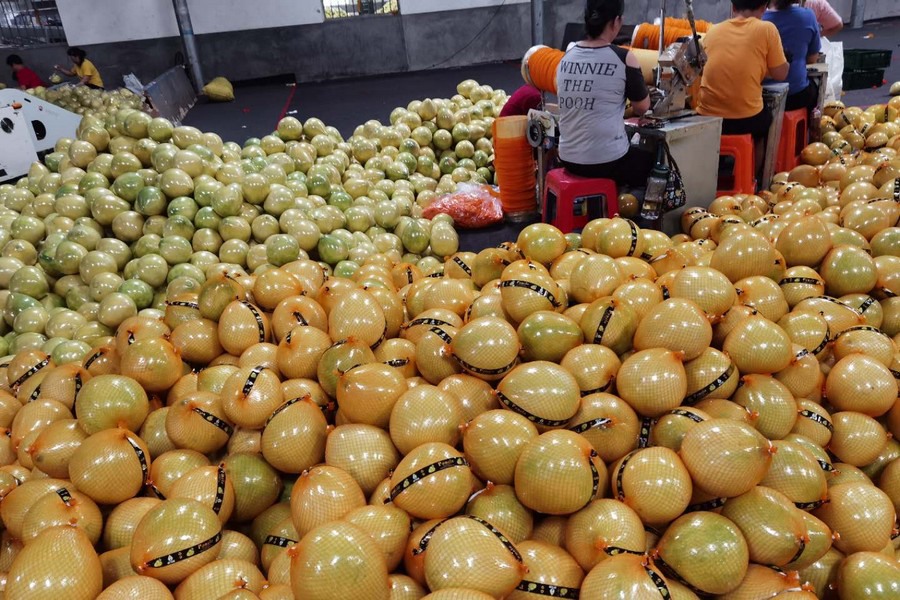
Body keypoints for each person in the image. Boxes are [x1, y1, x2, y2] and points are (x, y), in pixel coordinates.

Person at [556, 0, 653, 188]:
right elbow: (642, 107)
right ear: (616, 21)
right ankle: (627, 205)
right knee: (653, 160)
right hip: (607, 162)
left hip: (567, 157)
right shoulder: (624, 57)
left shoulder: (566, 56)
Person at [697, 0, 788, 172]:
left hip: (708, 117)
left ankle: (717, 171)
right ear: (763, 8)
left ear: (733, 7)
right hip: (746, 119)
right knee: (765, 122)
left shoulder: (713, 31)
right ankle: (752, 177)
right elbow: (780, 74)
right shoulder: (767, 29)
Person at [764, 1, 822, 114]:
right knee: (814, 88)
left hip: (761, 96)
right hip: (796, 95)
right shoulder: (808, 16)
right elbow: (812, 59)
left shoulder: (758, 21)